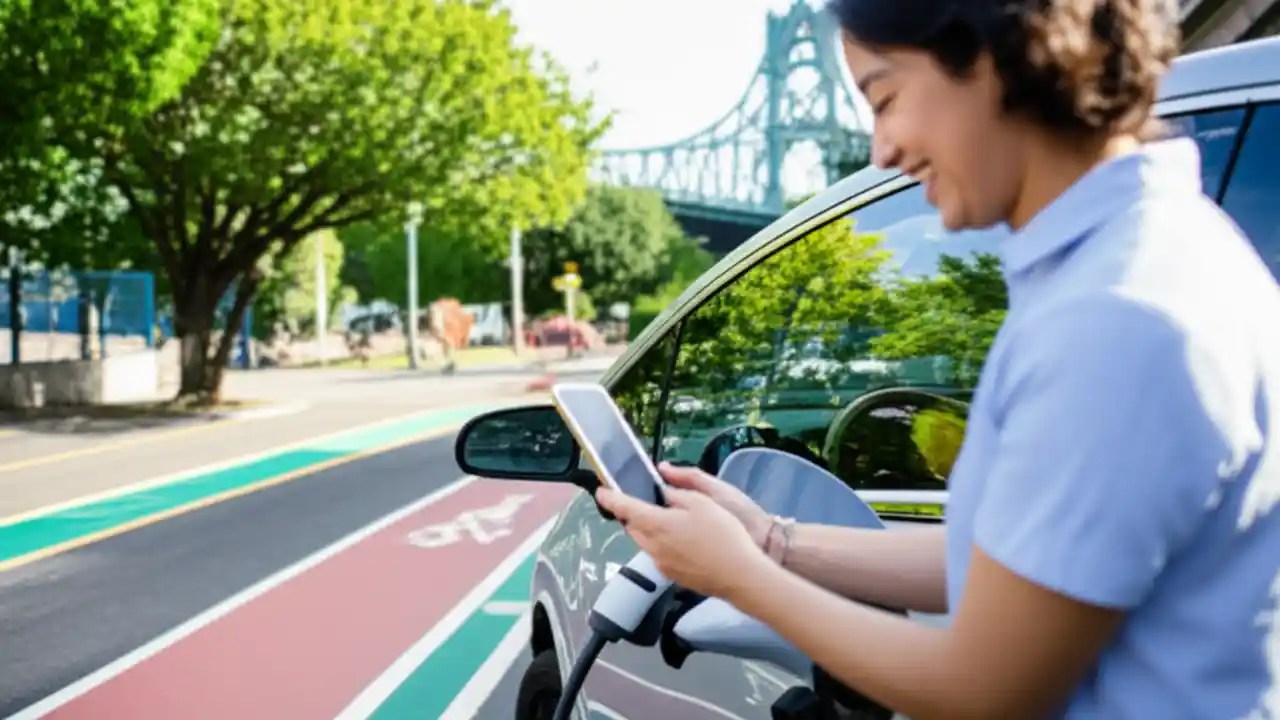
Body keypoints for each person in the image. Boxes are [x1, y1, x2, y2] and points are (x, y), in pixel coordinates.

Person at [596, 1, 1280, 718]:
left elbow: (984, 688)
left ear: (1000, 55)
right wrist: (770, 540)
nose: (880, 149)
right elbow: (1006, 564)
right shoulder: (1152, 259)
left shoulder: (1113, 320)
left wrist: (735, 576)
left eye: (885, 99)